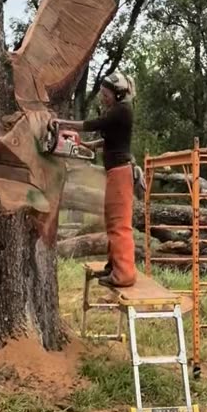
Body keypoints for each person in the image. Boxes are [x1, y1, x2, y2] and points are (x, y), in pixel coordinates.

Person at [55, 71, 137, 287]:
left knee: (120, 223)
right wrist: (91, 146)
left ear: (118, 94)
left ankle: (124, 274)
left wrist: (63, 123)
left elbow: (95, 124)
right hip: (114, 172)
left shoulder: (122, 110)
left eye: (106, 94)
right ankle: (114, 267)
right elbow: (112, 138)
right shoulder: (118, 111)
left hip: (120, 172)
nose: (103, 97)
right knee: (111, 221)